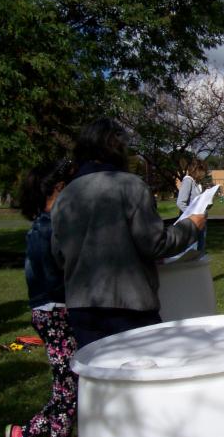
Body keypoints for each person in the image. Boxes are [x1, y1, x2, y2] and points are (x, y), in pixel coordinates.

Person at [51, 117, 206, 348]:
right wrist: (191, 226)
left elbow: (58, 255)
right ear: (117, 147)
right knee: (141, 378)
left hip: (82, 307)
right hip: (129, 308)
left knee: (102, 378)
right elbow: (154, 243)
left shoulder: (65, 196)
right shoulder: (131, 186)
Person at [6, 159, 80, 437]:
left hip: (51, 312)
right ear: (59, 189)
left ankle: (24, 436)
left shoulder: (43, 225)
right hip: (56, 313)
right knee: (68, 390)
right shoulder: (50, 228)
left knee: (69, 387)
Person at [176, 160, 208, 252]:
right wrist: (194, 214)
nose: (204, 174)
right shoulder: (188, 181)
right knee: (191, 252)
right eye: (203, 171)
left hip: (200, 222)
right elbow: (180, 202)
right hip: (191, 223)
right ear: (197, 170)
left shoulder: (197, 183)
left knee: (200, 251)